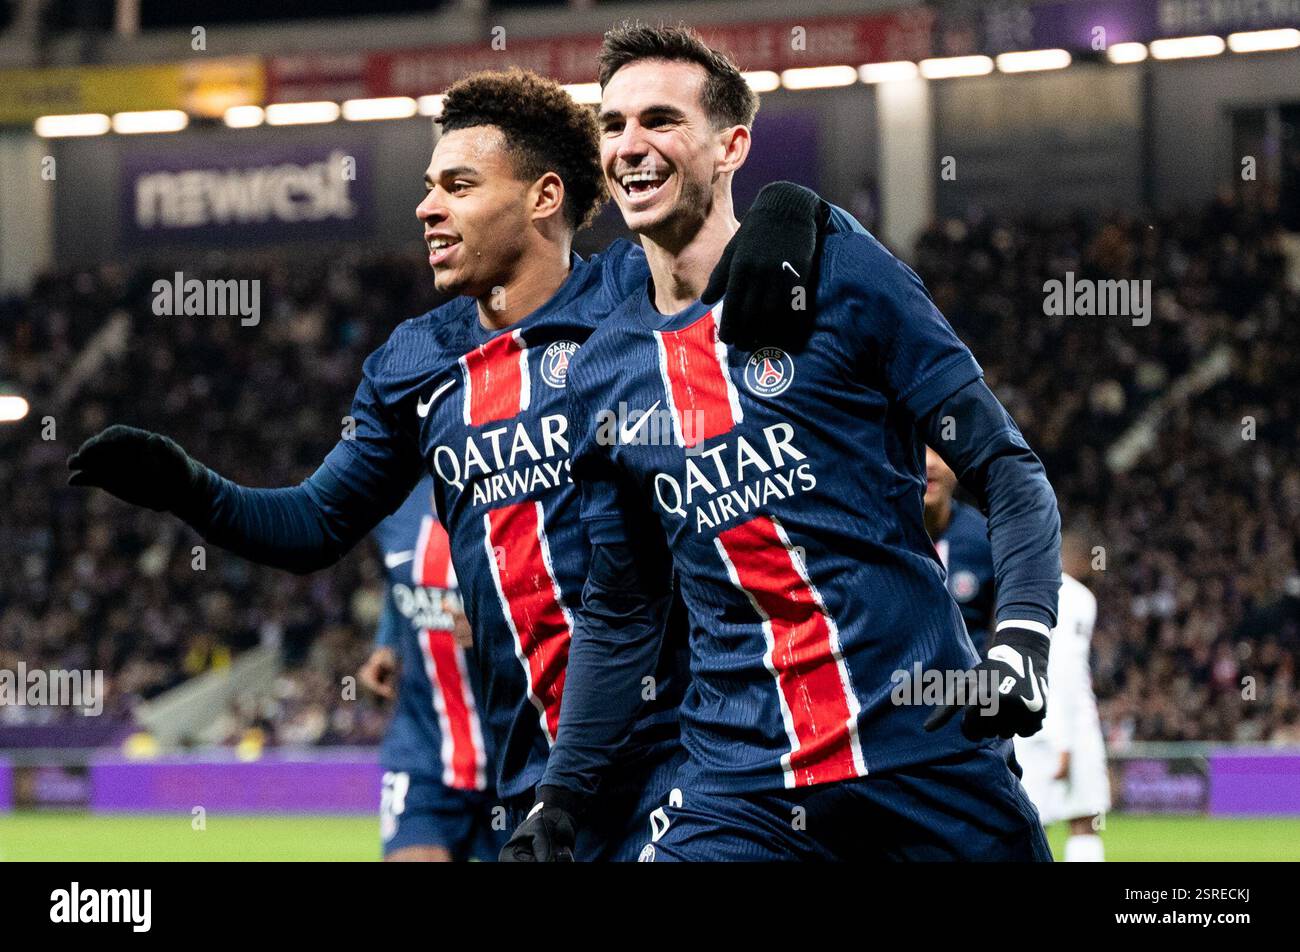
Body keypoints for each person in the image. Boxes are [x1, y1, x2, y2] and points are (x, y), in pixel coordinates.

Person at [67, 67, 831, 860]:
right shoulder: (414, 364)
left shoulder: (638, 293)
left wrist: (792, 209)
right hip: (532, 782)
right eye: (431, 187)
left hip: (689, 756)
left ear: (543, 198)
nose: (428, 207)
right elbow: (316, 524)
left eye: (459, 186)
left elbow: (752, 248)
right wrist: (187, 487)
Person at [506, 24, 1060, 862]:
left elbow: (1008, 472)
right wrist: (561, 796)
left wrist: (1020, 638)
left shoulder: (841, 274)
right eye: (612, 125)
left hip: (927, 758)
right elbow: (621, 611)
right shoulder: (600, 375)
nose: (629, 146)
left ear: (733, 145)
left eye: (660, 120)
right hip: (741, 788)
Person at [359, 475, 503, 861]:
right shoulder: (395, 506)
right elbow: (398, 580)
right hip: (422, 752)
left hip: (517, 761)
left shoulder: (526, 490)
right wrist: (386, 646)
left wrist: (499, 625)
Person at [1015, 531, 1111, 861]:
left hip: (1027, 719)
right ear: (1080, 559)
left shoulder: (1025, 593)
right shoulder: (1076, 597)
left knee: (1030, 822)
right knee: (1084, 820)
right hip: (1066, 727)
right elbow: (1063, 671)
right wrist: (1065, 742)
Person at [924, 446, 995, 655]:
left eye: (938, 451)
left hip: (968, 685)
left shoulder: (986, 540)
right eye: (917, 450)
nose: (929, 463)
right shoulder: (876, 537)